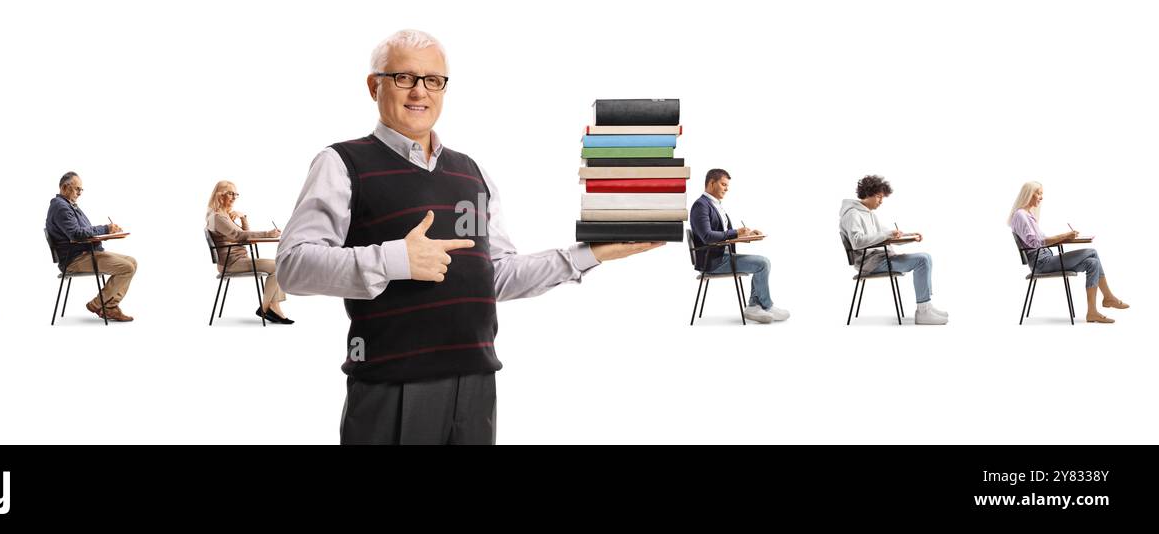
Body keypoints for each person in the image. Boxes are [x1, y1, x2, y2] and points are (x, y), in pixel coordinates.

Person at [276, 29, 661, 445]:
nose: (419, 91)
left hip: (476, 384)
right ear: (375, 85)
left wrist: (590, 254)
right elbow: (294, 265)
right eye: (404, 77)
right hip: (392, 386)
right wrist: (395, 260)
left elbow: (494, 277)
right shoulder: (341, 162)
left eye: (433, 80)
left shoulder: (471, 172)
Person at [1008, 181, 1128, 323]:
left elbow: (1040, 240)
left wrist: (1067, 237)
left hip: (1046, 259)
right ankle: (1108, 297)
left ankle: (1092, 312)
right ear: (1028, 194)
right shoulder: (1021, 215)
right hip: (1041, 263)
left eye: (1042, 193)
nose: (1041, 197)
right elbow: (1035, 243)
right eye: (1038, 193)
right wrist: (1065, 236)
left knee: (1092, 263)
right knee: (1092, 251)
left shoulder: (1027, 215)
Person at [838, 175, 948, 325]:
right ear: (868, 193)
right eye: (878, 197)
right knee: (922, 260)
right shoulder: (853, 214)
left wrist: (909, 236)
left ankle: (926, 306)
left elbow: (886, 236)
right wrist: (887, 234)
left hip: (880, 257)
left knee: (926, 257)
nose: (881, 201)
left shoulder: (869, 214)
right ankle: (923, 311)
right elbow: (857, 242)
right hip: (870, 263)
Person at [688, 168, 789, 323]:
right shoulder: (701, 205)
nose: (727, 189)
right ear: (711, 183)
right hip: (713, 261)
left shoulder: (715, 205)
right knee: (762, 263)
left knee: (762, 262)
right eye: (723, 184)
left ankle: (755, 305)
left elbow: (724, 234)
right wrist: (735, 233)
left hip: (722, 255)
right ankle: (763, 306)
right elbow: (708, 237)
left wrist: (746, 235)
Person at [45, 171, 137, 322]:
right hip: (75, 259)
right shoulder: (61, 207)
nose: (80, 193)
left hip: (86, 253)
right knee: (127, 267)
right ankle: (98, 304)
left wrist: (106, 234)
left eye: (81, 189)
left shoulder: (70, 206)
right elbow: (76, 234)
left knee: (132, 262)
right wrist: (105, 229)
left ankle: (110, 307)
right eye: (77, 189)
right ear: (64, 188)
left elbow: (85, 231)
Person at [206, 180, 292, 324]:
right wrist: (268, 234)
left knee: (279, 265)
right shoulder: (217, 217)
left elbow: (245, 235)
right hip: (232, 263)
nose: (234, 197)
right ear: (220, 195)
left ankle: (273, 307)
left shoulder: (225, 215)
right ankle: (266, 309)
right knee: (278, 266)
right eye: (230, 193)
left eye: (236, 194)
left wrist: (242, 217)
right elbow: (238, 236)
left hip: (239, 260)